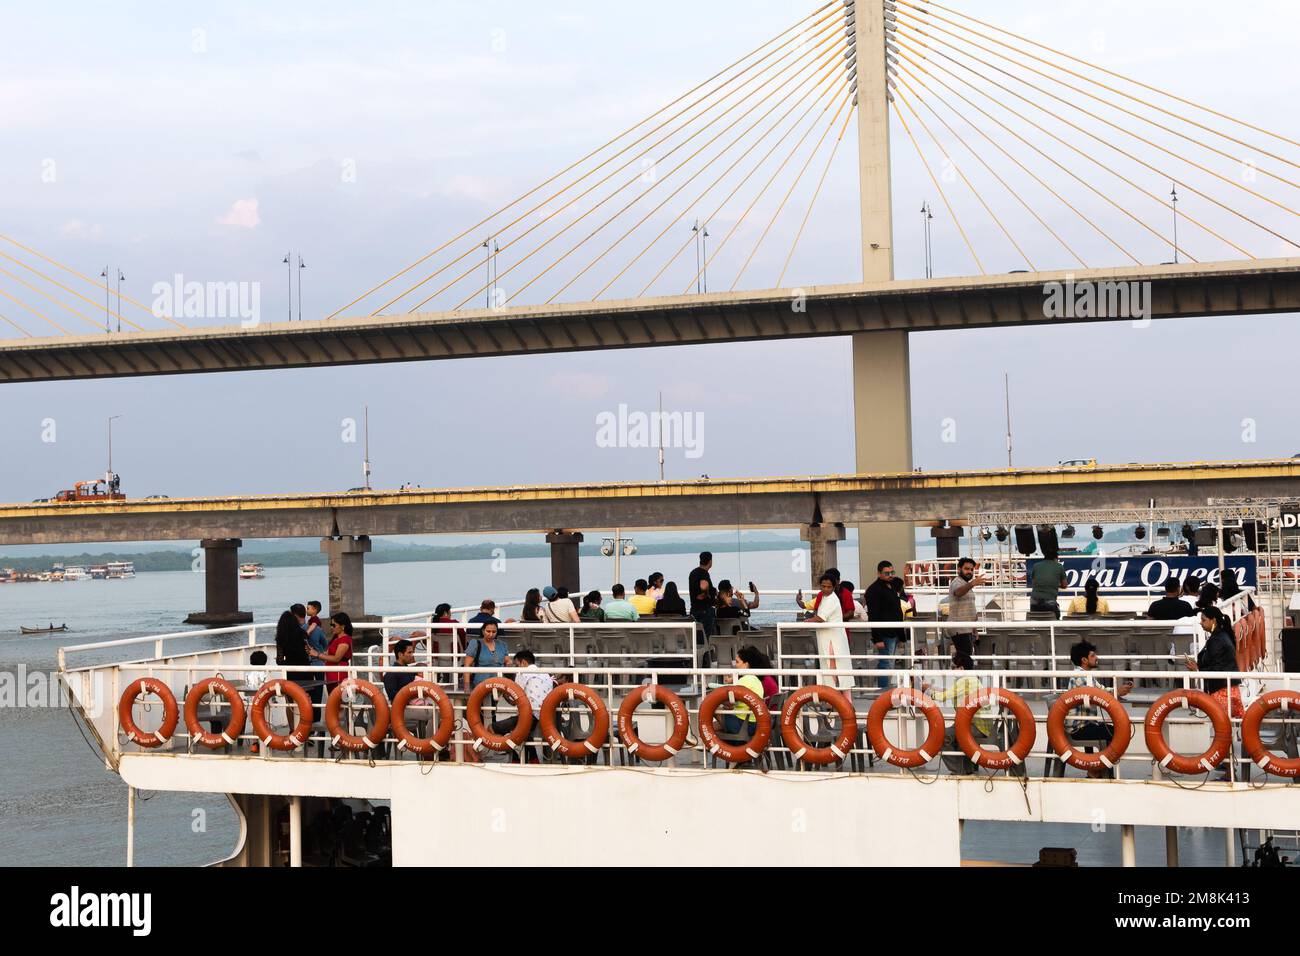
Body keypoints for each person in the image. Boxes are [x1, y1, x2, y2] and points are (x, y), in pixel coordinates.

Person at [1065, 639, 1134, 777]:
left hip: (1086, 723)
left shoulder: (1087, 676)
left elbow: (1100, 691)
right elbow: (1098, 696)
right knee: (1113, 732)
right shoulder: (1081, 677)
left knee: (1108, 730)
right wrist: (1117, 692)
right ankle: (1104, 772)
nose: (1097, 658)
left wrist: (1117, 691)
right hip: (1079, 728)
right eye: (1093, 656)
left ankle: (1097, 770)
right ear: (1084, 660)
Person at [808, 572, 853, 690]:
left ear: (834, 587)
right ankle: (835, 701)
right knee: (833, 669)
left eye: (829, 587)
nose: (825, 589)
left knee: (833, 669)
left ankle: (833, 700)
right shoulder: (824, 597)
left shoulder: (831, 599)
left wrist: (806, 622)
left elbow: (821, 618)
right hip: (828, 638)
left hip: (832, 640)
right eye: (823, 586)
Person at [864, 561, 904, 689]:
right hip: (884, 633)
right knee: (885, 663)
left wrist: (901, 635)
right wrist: (877, 638)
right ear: (879, 573)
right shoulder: (874, 590)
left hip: (894, 632)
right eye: (887, 573)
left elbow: (896, 610)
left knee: (890, 662)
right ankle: (883, 692)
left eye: (892, 572)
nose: (890, 575)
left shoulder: (891, 586)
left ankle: (887, 691)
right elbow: (873, 615)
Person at [1184, 607, 1238, 696]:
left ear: (1213, 620)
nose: (1200, 623)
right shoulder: (1222, 636)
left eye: (1203, 620)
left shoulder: (1217, 640)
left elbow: (1217, 667)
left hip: (1221, 691)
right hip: (1228, 687)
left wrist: (1197, 669)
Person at [716, 647, 766, 735]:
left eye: (738, 662)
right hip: (755, 722)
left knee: (714, 709)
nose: (736, 665)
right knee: (721, 715)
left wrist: (717, 698)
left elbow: (730, 702)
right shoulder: (756, 680)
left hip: (745, 724)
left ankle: (726, 741)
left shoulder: (744, 681)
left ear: (746, 664)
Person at [946, 557, 987, 656]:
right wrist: (972, 584)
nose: (970, 572)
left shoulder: (966, 584)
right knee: (965, 658)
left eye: (972, 569)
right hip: (959, 629)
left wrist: (974, 629)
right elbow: (958, 592)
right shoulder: (957, 582)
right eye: (966, 569)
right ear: (959, 569)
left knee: (965, 657)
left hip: (967, 628)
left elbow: (970, 607)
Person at [310, 612, 355, 696]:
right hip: (331, 673)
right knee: (333, 697)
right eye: (331, 625)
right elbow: (327, 655)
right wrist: (314, 651)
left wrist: (317, 654)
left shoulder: (344, 640)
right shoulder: (336, 639)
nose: (331, 627)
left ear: (342, 626)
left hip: (338, 673)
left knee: (337, 698)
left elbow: (336, 658)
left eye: (334, 625)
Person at [463, 620, 509, 690]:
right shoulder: (475, 643)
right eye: (488, 631)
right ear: (483, 631)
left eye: (494, 632)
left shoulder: (502, 645)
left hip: (499, 683)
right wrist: (466, 687)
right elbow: (467, 665)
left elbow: (507, 661)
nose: (491, 634)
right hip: (481, 684)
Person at [1029, 550, 1066, 618]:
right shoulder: (1059, 566)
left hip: (1034, 600)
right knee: (1056, 617)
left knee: (1035, 619)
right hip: (1049, 601)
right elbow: (1064, 585)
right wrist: (1055, 584)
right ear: (1055, 558)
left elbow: (1034, 582)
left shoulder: (1036, 566)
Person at [689, 552, 717, 637]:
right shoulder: (703, 573)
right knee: (706, 636)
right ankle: (706, 650)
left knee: (697, 636)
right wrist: (706, 594)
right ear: (710, 561)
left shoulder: (693, 573)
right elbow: (704, 586)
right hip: (705, 610)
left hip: (694, 609)